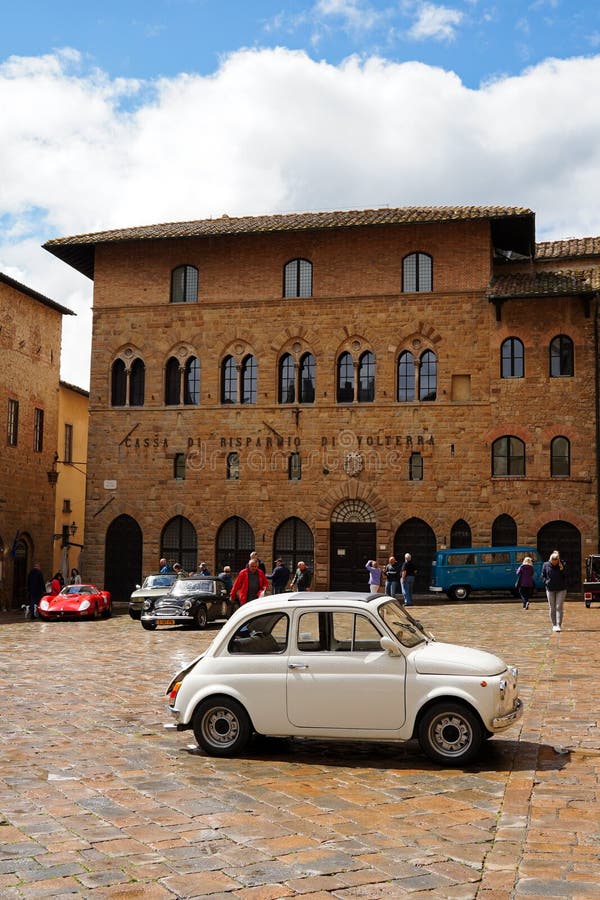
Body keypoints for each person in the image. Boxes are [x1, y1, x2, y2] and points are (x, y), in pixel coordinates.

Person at [542, 549, 568, 632]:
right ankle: (554, 625)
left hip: (561, 589)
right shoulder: (546, 565)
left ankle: (559, 625)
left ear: (558, 560)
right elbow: (543, 575)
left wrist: (561, 568)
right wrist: (546, 582)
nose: (554, 563)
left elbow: (566, 574)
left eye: (556, 561)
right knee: (552, 607)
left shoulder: (562, 564)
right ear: (551, 559)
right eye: (553, 561)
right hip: (550, 589)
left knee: (559, 607)